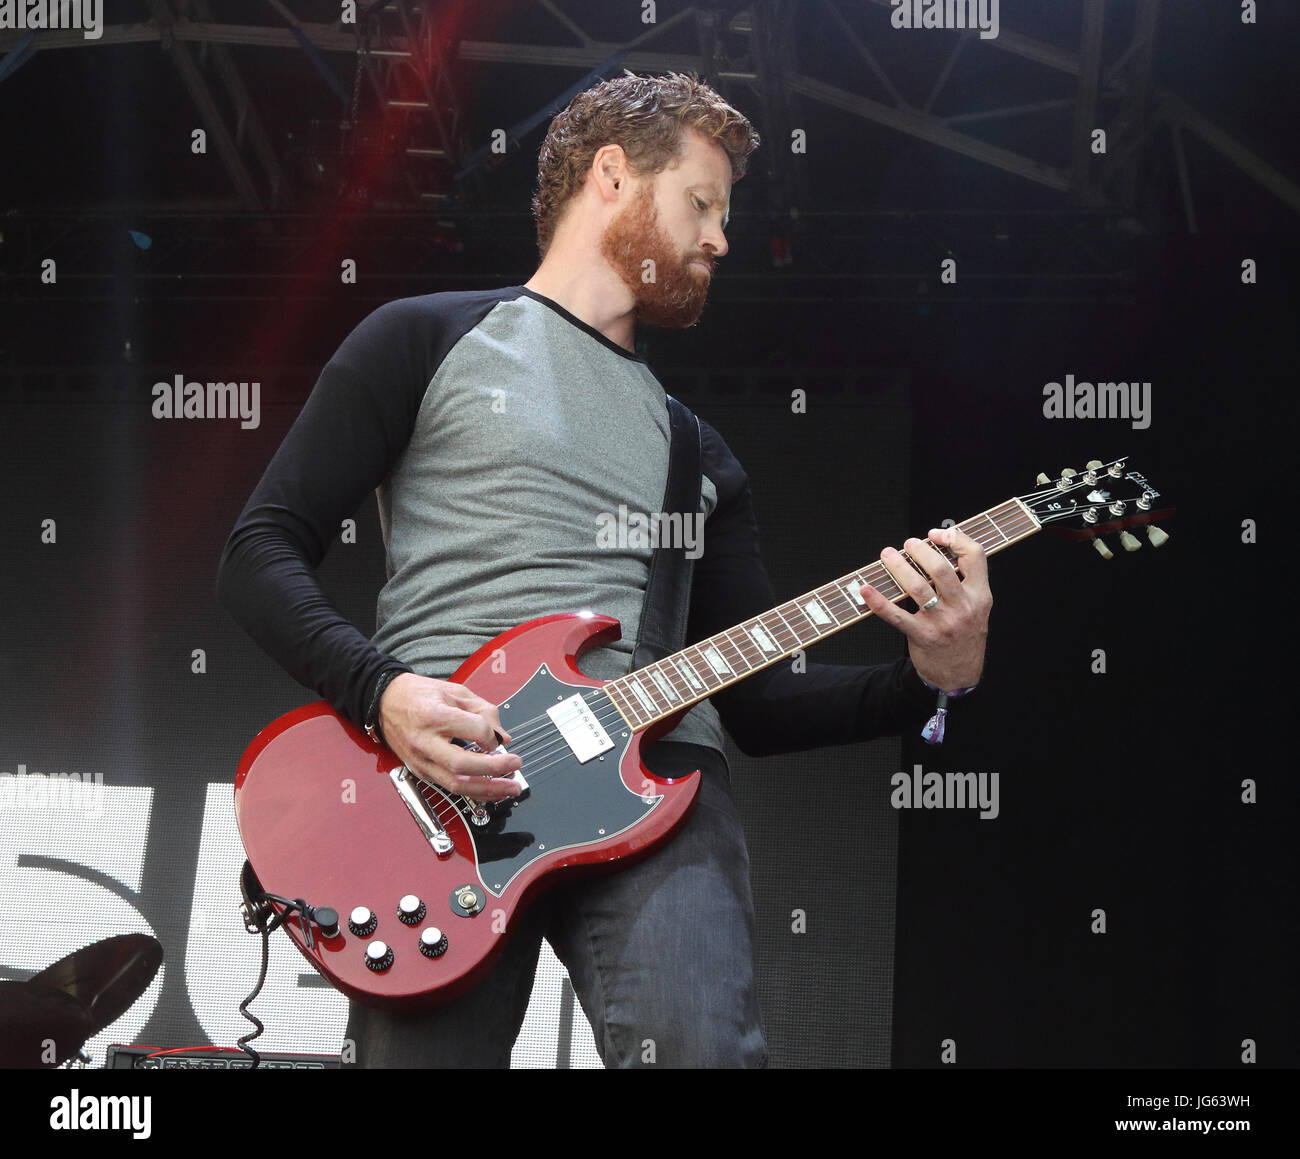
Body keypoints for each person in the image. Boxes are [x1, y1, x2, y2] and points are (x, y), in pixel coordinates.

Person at [216, 71, 992, 1068]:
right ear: (613, 178)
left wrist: (934, 677)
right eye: (700, 204)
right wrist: (383, 694)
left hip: (659, 787)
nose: (720, 239)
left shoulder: (697, 454)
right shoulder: (427, 337)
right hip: (435, 782)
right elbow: (257, 551)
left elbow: (761, 703)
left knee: (703, 1051)